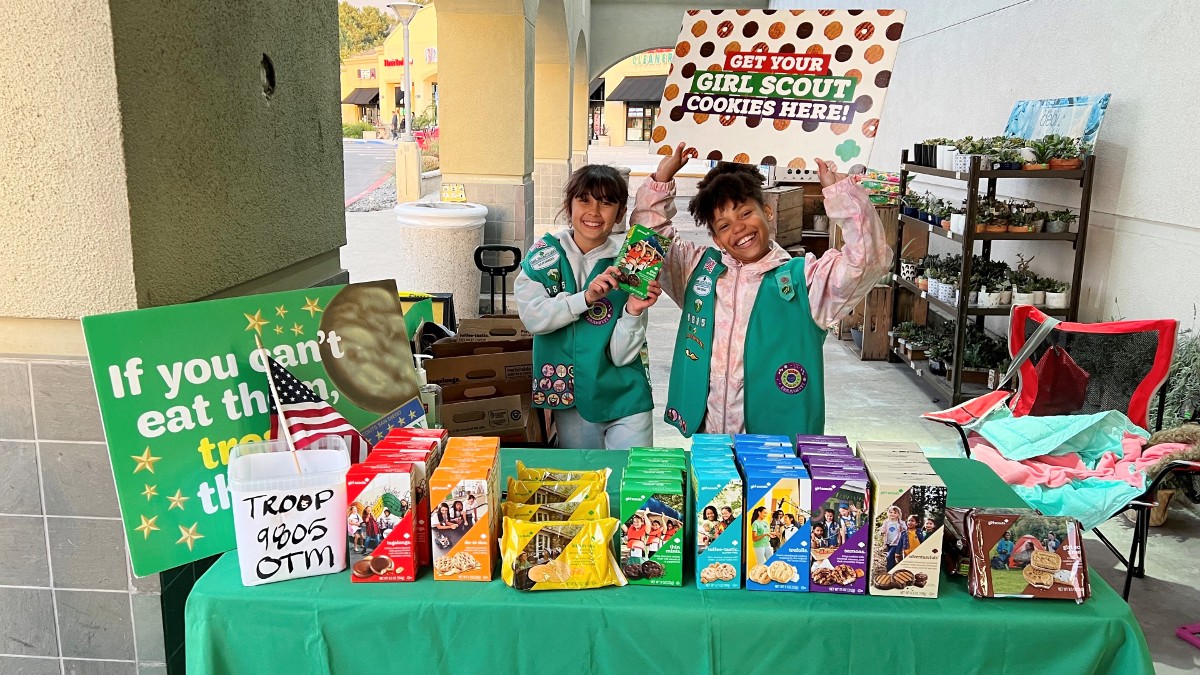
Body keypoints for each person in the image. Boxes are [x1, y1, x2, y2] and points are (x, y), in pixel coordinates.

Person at [641, 144, 892, 437]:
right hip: (709, 441)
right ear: (716, 239)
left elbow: (868, 260)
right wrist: (661, 179)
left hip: (778, 445)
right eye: (724, 225)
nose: (739, 229)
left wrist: (841, 196)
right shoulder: (695, 272)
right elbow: (648, 241)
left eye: (745, 213)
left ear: (768, 212)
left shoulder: (806, 281)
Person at [516, 165, 666, 449]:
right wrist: (584, 298)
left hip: (626, 397)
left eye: (606, 202)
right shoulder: (544, 256)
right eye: (584, 200)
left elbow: (622, 357)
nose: (594, 211)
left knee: (631, 481)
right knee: (584, 484)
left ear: (621, 213)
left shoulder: (628, 265)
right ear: (568, 205)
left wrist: (634, 310)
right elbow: (534, 319)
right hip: (570, 397)